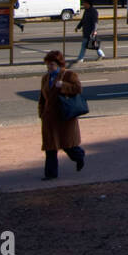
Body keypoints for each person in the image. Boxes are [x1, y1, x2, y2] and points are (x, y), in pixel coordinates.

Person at [38, 49, 85, 180]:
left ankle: (79, 156)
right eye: (47, 64)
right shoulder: (45, 78)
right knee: (50, 147)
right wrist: (41, 113)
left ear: (59, 64)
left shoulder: (69, 75)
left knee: (67, 145)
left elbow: (78, 89)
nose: (49, 67)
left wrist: (63, 85)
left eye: (51, 64)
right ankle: (50, 174)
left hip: (64, 117)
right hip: (49, 118)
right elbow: (42, 97)